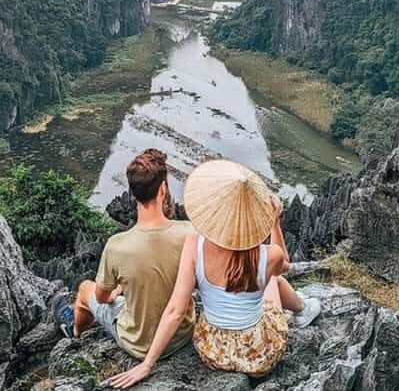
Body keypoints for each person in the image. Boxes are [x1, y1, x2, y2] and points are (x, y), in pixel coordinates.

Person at [106, 159, 319, 388]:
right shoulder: (268, 256)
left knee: (270, 279)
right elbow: (284, 265)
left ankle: (301, 308)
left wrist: (147, 364)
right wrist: (274, 222)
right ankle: (302, 310)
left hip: (213, 350)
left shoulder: (194, 245)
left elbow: (176, 311)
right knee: (274, 279)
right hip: (258, 354)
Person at [53, 148, 195, 360]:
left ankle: (75, 332)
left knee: (84, 289)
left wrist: (116, 291)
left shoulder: (116, 246)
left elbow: (101, 298)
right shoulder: (190, 233)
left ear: (133, 193)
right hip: (181, 336)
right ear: (163, 189)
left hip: (138, 344)